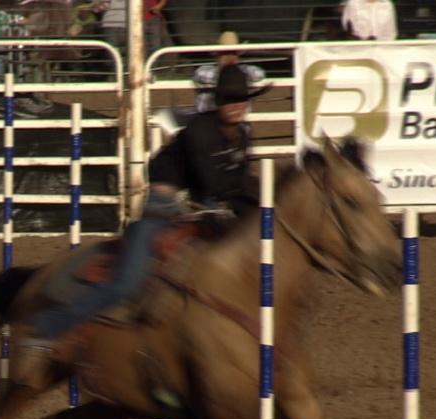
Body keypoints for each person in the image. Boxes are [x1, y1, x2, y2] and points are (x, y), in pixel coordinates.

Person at [22, 65, 267, 349]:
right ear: (219, 102)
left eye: (241, 100)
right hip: (163, 206)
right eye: (229, 99)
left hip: (202, 208)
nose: (236, 106)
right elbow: (212, 181)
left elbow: (241, 182)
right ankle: (48, 326)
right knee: (127, 282)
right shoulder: (200, 130)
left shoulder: (242, 135)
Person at [192, 31, 266, 113]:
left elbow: (258, 74)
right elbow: (201, 75)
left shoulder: (245, 70)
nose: (229, 57)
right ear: (217, 55)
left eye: (232, 53)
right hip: (208, 117)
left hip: (237, 119)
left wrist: (233, 71)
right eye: (225, 53)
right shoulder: (205, 71)